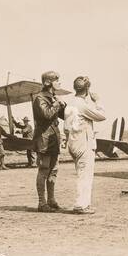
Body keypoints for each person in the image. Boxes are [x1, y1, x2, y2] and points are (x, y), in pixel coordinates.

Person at [60, 76, 106, 214]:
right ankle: (81, 205)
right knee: (85, 175)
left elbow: (66, 127)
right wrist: (97, 101)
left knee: (81, 173)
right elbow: (101, 115)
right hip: (84, 143)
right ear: (87, 89)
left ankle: (83, 204)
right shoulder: (81, 105)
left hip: (73, 142)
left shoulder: (70, 105)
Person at [31, 70, 66, 211]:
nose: (59, 82)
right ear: (48, 82)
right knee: (44, 169)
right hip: (44, 139)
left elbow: (62, 115)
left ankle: (51, 200)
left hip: (53, 138)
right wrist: (58, 104)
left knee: (54, 170)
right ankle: (42, 203)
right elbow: (46, 115)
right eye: (57, 80)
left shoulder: (52, 98)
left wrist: (64, 106)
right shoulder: (40, 98)